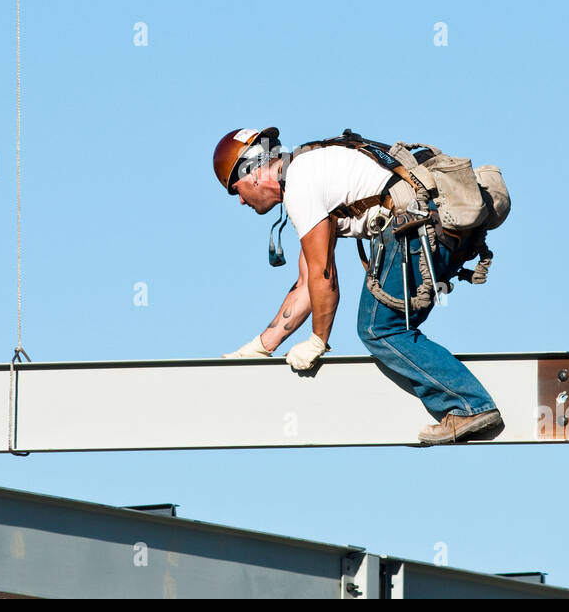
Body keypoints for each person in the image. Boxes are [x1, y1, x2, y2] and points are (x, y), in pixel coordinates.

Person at [214, 126, 502, 445]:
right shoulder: (310, 168)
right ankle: (463, 402)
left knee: (379, 329)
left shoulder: (300, 184)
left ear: (253, 173)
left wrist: (318, 340)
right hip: (443, 229)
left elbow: (324, 277)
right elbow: (307, 284)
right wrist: (260, 347)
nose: (241, 201)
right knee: (394, 332)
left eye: (236, 190)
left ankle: (469, 406)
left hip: (414, 227)